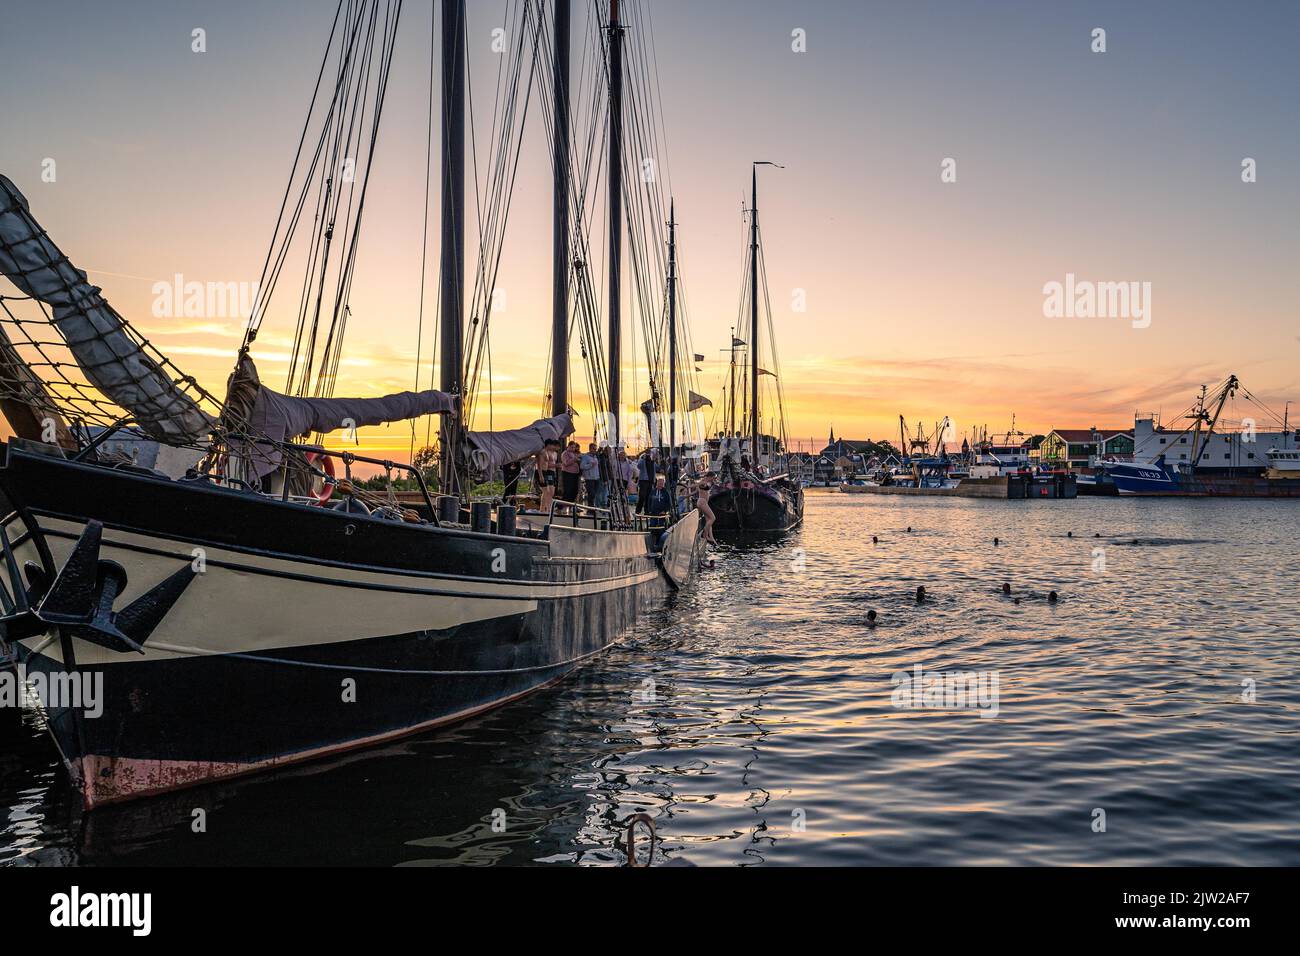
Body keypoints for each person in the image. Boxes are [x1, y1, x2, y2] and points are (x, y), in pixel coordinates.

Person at [534, 439, 559, 512]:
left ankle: (544, 509)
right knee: (546, 491)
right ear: (548, 445)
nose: (553, 447)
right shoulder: (542, 452)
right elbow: (539, 465)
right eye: (552, 445)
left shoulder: (546, 452)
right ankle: (545, 509)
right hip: (540, 472)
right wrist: (541, 475)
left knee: (547, 492)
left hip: (545, 472)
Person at [694, 471, 717, 544]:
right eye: (713, 477)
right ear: (710, 476)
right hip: (702, 502)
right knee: (713, 518)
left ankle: (712, 538)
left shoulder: (708, 482)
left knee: (709, 521)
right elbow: (698, 485)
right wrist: (688, 486)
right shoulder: (703, 482)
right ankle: (705, 535)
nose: (714, 478)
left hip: (704, 502)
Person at [580, 442, 603, 507]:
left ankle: (593, 506)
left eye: (595, 449)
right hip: (589, 478)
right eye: (593, 449)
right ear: (590, 449)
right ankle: (590, 507)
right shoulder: (585, 457)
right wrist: (590, 465)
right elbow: (582, 466)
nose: (595, 450)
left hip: (596, 477)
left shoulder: (596, 457)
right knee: (591, 493)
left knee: (595, 493)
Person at [636, 449, 656, 514]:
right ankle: (638, 511)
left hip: (650, 481)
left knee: (648, 497)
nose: (649, 454)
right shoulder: (642, 459)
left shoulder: (652, 461)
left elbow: (657, 468)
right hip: (643, 481)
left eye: (650, 453)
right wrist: (643, 459)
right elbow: (638, 466)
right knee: (642, 496)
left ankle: (647, 511)